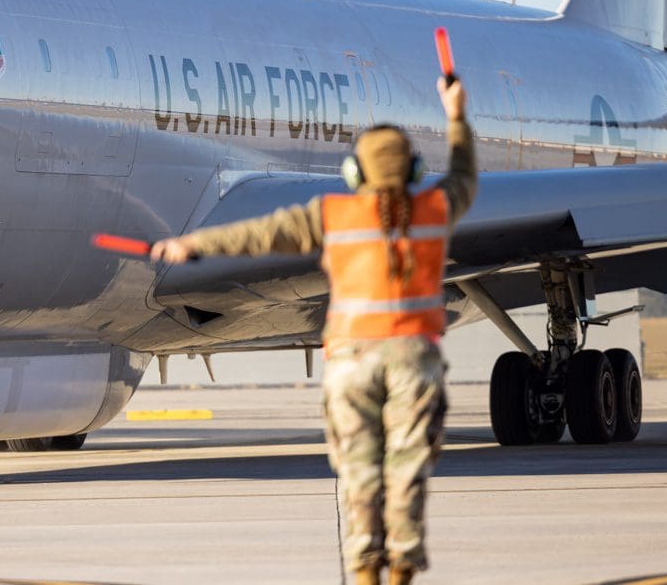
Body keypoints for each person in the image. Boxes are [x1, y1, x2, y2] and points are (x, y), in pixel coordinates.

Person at [152, 76, 477, 585]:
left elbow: (261, 235)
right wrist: (456, 114)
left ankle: (366, 566)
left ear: (355, 171)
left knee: (359, 471)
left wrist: (192, 247)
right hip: (414, 358)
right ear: (413, 170)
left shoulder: (335, 214)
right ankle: (402, 569)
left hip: (350, 361)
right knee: (407, 468)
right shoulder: (435, 211)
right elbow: (462, 178)